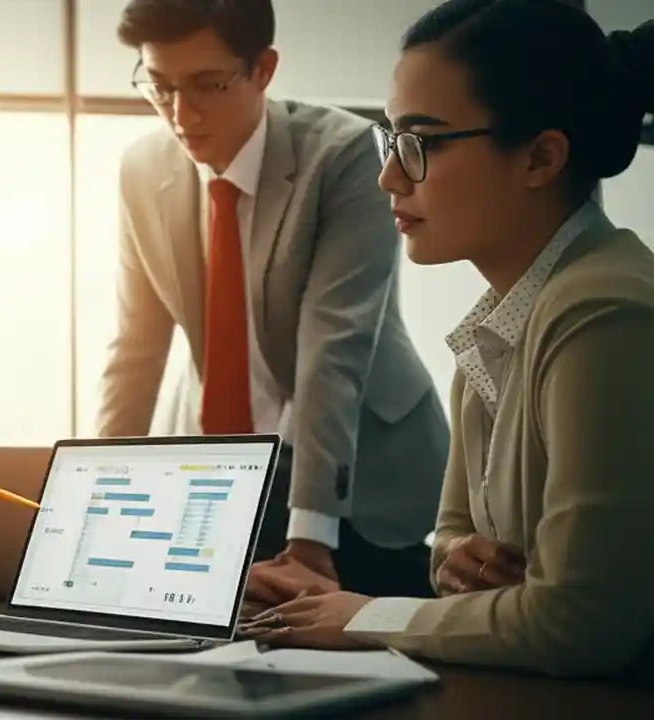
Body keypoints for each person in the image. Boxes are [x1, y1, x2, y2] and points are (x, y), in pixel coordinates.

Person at [238, 0, 654, 681]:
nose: (389, 177)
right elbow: (450, 546)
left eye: (421, 144)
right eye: (391, 141)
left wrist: (368, 616)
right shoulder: (500, 317)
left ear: (541, 157)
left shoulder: (606, 314)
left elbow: (582, 621)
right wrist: (463, 558)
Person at [99, 0, 448, 600]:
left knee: (373, 659)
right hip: (227, 471)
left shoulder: (343, 157)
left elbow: (332, 348)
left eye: (208, 85)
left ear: (263, 69)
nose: (181, 114)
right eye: (159, 86)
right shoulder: (142, 168)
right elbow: (135, 351)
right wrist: (93, 499)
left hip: (364, 470)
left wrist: (310, 539)